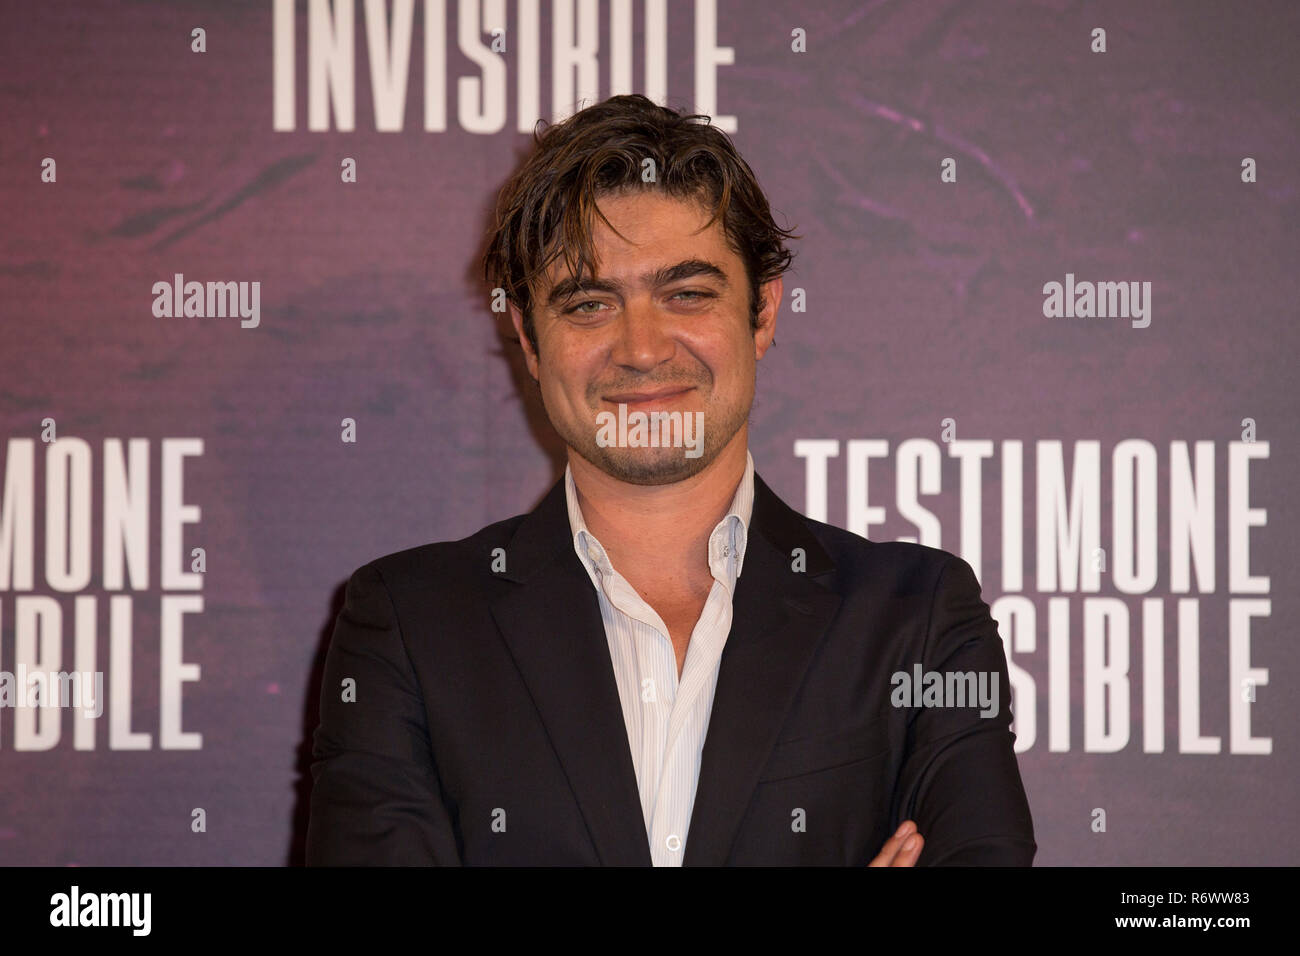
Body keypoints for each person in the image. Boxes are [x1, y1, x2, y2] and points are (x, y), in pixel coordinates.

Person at [305, 94, 1035, 867]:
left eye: (686, 294)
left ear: (762, 313)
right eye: (589, 304)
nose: (643, 349)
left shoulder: (914, 620)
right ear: (528, 338)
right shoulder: (411, 627)